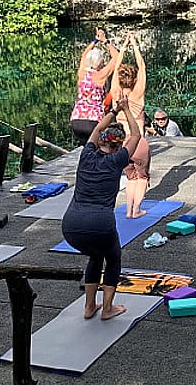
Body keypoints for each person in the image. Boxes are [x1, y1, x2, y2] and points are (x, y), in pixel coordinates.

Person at [61, 96, 142, 321]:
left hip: (70, 226)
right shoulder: (117, 160)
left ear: (102, 142)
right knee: (113, 258)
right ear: (118, 146)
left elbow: (97, 128)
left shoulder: (86, 155)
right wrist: (127, 109)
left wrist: (114, 111)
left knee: (96, 257)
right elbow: (136, 135)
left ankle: (89, 307)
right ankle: (107, 308)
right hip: (100, 224)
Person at [110, 33, 151, 218]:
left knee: (130, 177)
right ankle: (136, 210)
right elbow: (142, 67)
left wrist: (123, 47)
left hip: (120, 144)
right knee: (142, 177)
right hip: (137, 142)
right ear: (134, 79)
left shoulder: (116, 94)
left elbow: (116, 68)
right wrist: (134, 44)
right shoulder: (137, 94)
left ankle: (128, 210)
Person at [70, 27, 121, 146]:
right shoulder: (101, 75)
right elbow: (117, 57)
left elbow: (84, 55)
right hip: (94, 121)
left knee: (85, 149)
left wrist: (95, 41)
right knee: (95, 149)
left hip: (76, 120)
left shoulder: (82, 73)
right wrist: (105, 41)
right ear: (99, 62)